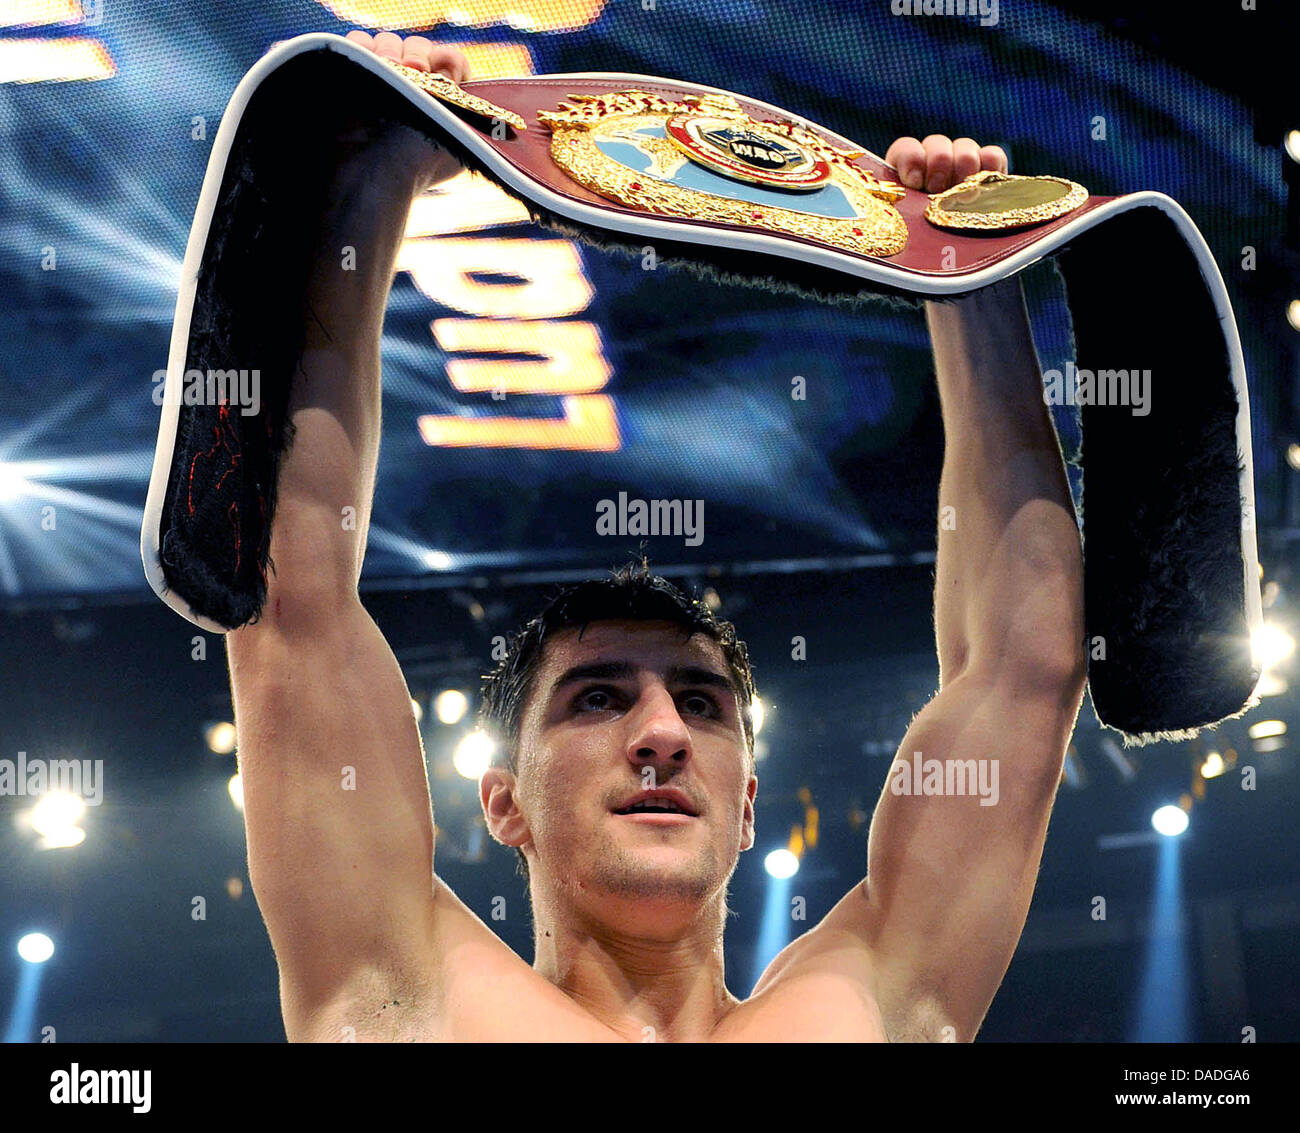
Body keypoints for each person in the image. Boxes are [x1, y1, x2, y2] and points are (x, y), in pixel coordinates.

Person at [225, 30, 1087, 1042]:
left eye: (702, 704)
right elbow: (293, 597)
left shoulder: (869, 1008)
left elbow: (1023, 665)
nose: (663, 734)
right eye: (597, 696)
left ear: (750, 802)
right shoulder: (405, 995)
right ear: (504, 804)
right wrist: (376, 169)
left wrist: (970, 275)